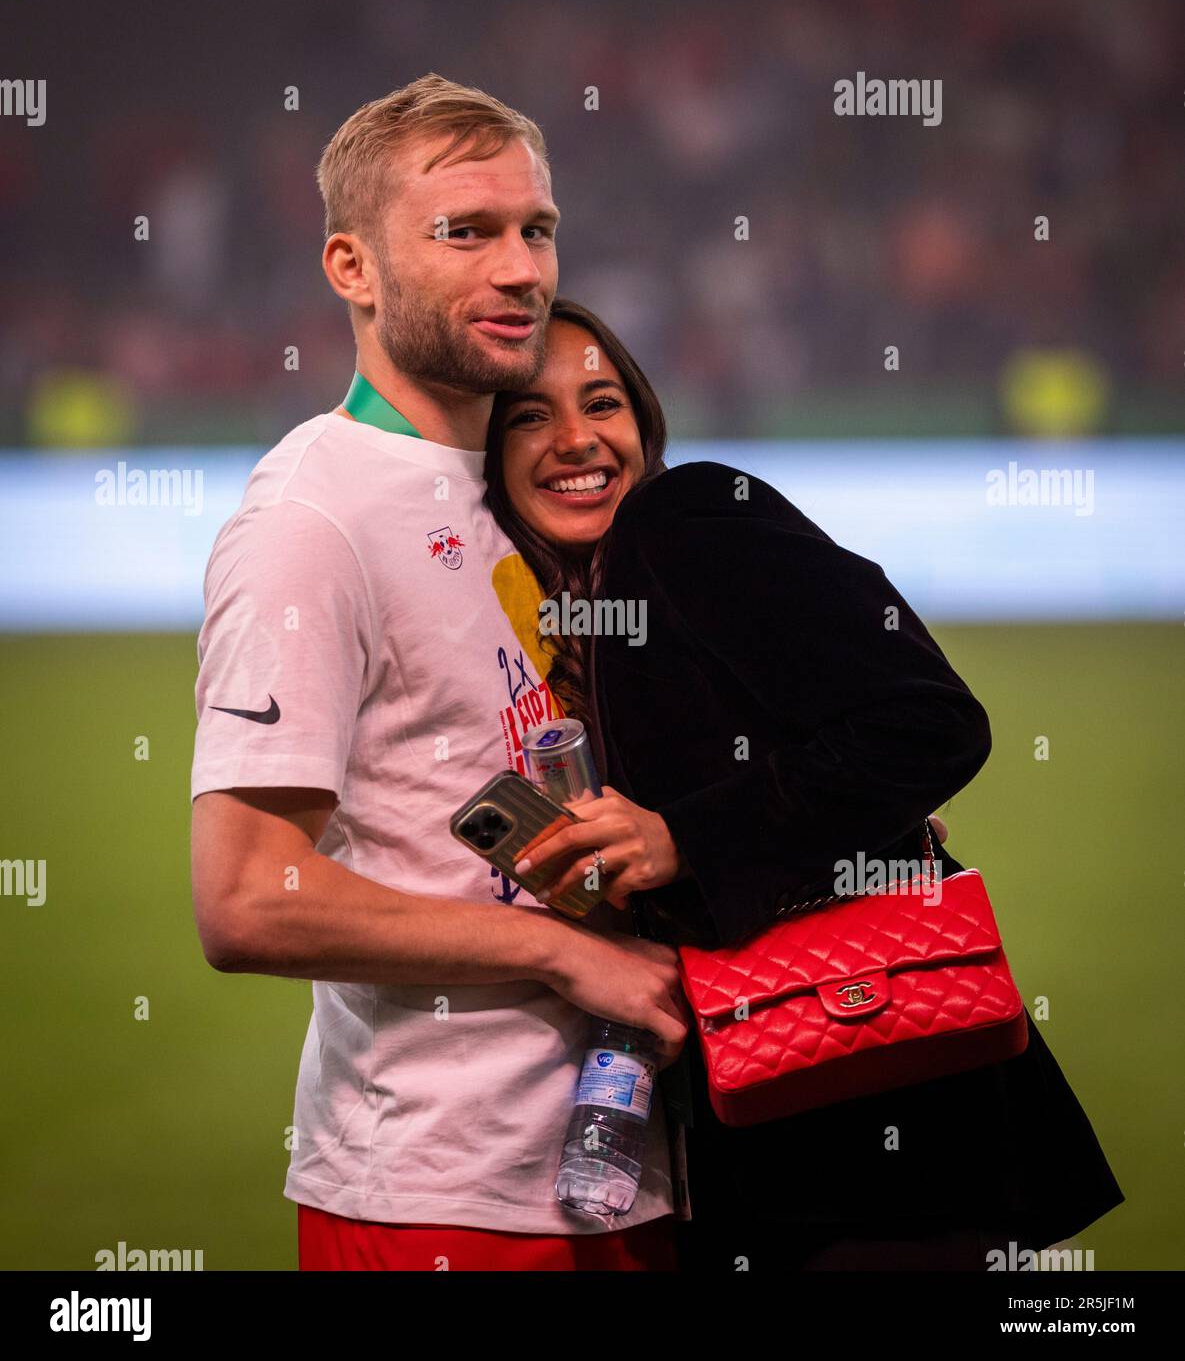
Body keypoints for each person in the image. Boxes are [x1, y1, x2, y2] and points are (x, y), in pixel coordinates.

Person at [483, 296, 1126, 1271]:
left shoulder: (681, 515)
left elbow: (928, 722)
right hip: (808, 1106)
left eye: (603, 402)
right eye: (529, 415)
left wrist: (686, 836)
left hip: (880, 1121)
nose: (577, 437)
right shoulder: (592, 610)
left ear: (643, 424)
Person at [189, 77, 692, 1272]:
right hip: (444, 1198)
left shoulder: (531, 483)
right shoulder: (311, 519)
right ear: (351, 268)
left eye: (537, 228)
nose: (521, 268)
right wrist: (562, 951)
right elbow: (247, 898)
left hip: (631, 1157)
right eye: (465, 232)